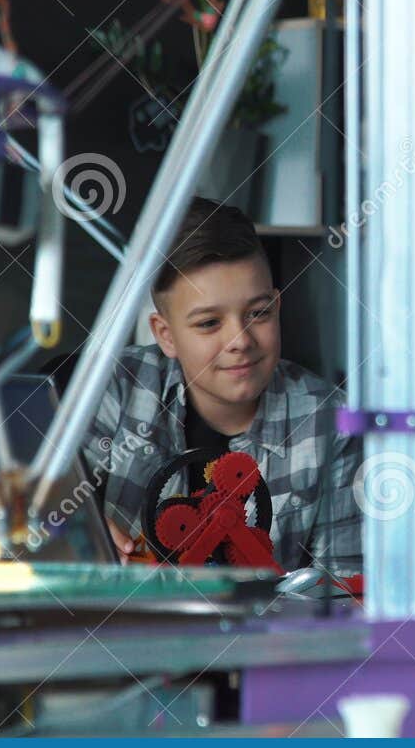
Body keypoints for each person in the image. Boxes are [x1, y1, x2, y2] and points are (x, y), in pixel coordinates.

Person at [82, 199, 362, 574]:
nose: (240, 340)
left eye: (258, 313)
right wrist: (80, 538)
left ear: (277, 307)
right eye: (209, 323)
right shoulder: (113, 386)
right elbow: (39, 522)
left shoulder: (333, 422)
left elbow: (346, 592)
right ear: (166, 335)